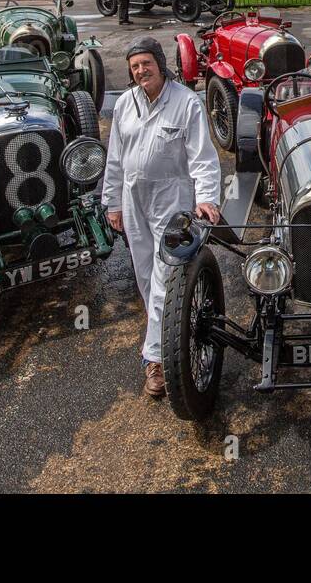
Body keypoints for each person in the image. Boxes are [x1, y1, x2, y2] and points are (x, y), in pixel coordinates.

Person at [102, 36, 221, 399]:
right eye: (135, 67)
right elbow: (116, 157)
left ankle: (155, 359)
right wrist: (112, 202)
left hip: (173, 197)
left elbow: (202, 156)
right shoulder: (124, 104)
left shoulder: (185, 103)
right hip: (134, 197)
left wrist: (207, 199)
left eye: (146, 64)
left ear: (160, 63)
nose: (141, 71)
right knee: (144, 274)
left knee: (166, 274)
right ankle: (169, 334)